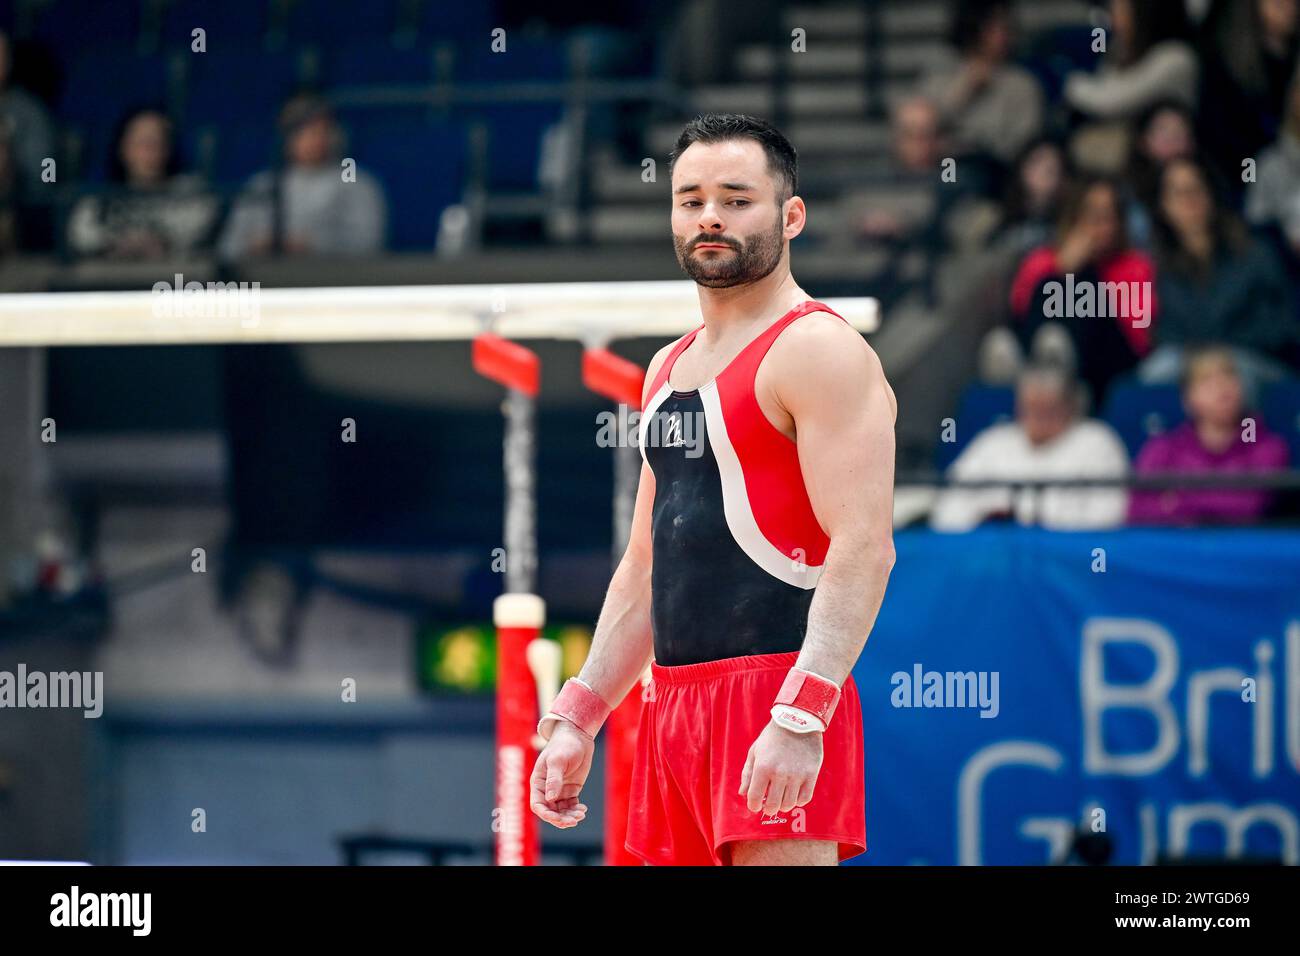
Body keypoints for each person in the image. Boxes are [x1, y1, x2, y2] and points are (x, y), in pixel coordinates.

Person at [530, 114, 897, 866]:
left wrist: (802, 714)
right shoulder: (666, 368)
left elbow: (864, 548)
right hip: (672, 704)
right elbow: (644, 566)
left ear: (791, 216)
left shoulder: (818, 350)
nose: (709, 218)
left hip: (776, 687)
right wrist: (582, 711)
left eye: (736, 199)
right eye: (690, 199)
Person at [1139, 156, 1297, 395]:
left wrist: (1221, 349)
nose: (1188, 200)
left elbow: (1285, 324)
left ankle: (1249, 433)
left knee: (1225, 381)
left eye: (1195, 189)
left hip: (1253, 358)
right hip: (1189, 361)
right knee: (1151, 376)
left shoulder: (1255, 251)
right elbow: (1163, 332)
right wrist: (1201, 354)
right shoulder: (1160, 265)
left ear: (1211, 193)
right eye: (1177, 193)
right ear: (1163, 206)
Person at [1003, 177, 1156, 402]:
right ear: (1073, 219)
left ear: (1119, 222)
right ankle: (1032, 361)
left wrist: (1079, 273)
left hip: (1110, 358)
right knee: (1052, 284)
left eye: (1106, 217)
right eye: (1090, 216)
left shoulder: (1136, 266)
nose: (1097, 227)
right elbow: (1020, 313)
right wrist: (1062, 268)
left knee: (1081, 285)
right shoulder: (1041, 261)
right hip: (1039, 345)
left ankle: (1058, 359)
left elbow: (1139, 336)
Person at [931, 362, 1130, 531]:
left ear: (1069, 406)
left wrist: (1036, 533)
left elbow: (1108, 517)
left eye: (1047, 411)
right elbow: (948, 507)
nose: (1037, 420)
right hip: (988, 561)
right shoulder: (994, 441)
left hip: (1064, 565)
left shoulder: (1097, 442)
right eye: (1030, 409)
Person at [1129, 346, 1290, 525]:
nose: (1222, 388)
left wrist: (1177, 502)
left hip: (1243, 548)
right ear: (1188, 397)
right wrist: (1220, 497)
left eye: (1229, 376)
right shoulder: (1163, 449)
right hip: (1177, 548)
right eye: (1207, 380)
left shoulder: (1265, 446)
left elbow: (1248, 505)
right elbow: (1138, 511)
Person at [218, 92, 386, 259]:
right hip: (266, 280)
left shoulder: (354, 181)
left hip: (328, 280)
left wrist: (310, 244)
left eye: (320, 128)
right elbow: (228, 248)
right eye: (300, 130)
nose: (312, 137)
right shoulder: (262, 184)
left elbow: (367, 243)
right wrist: (256, 244)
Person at [66, 107, 218, 259]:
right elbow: (80, 235)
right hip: (110, 278)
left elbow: (199, 227)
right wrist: (116, 244)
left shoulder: (191, 193)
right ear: (122, 148)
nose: (150, 150)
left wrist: (160, 242)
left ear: (170, 148)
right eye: (141, 142)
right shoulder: (100, 198)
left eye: (158, 141)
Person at [917, 0, 1044, 171]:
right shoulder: (941, 75)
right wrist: (963, 90)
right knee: (949, 177)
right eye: (992, 27)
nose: (1003, 35)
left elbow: (1025, 142)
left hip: (997, 173)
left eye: (1006, 27)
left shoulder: (1022, 84)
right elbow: (924, 124)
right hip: (948, 165)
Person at [1198, 0, 1299, 194]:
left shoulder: (1293, 58)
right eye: (1280, 4)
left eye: (1294, 4)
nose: (1290, 9)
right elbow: (1229, 136)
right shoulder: (1229, 59)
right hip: (1244, 162)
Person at [1063, 0, 1198, 122]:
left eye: (1122, 11)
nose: (1114, 19)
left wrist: (1064, 77)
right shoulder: (1121, 48)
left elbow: (1109, 102)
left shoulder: (1177, 58)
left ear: (1145, 14)